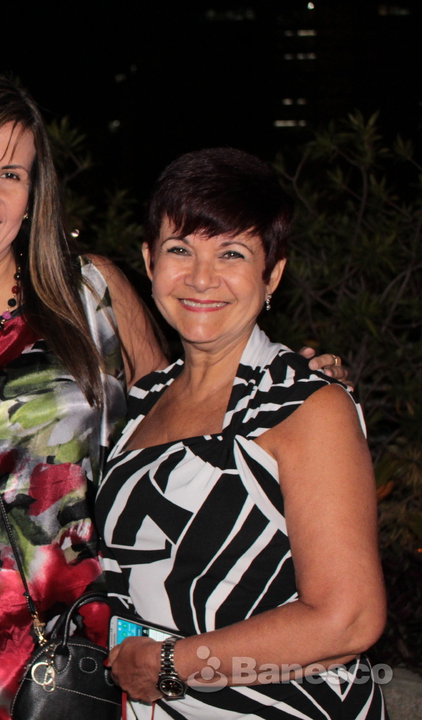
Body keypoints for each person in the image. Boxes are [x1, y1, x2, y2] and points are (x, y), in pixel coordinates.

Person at [0, 75, 348, 720]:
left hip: (105, 672)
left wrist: (299, 382)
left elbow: (186, 419)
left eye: (11, 173)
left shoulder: (93, 296)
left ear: (35, 192)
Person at [97, 148, 385, 719]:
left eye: (232, 253)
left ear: (272, 272)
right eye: (180, 250)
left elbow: (348, 618)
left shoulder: (303, 402)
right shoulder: (144, 398)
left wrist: (172, 664)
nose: (202, 278)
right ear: (150, 261)